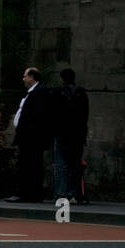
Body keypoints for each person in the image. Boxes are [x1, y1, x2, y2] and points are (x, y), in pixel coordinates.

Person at [7, 67, 52, 202]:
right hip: (28, 137)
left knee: (30, 166)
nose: (23, 79)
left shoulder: (39, 92)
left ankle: (27, 194)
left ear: (32, 77)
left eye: (25, 76)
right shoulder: (33, 92)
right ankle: (29, 193)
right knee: (29, 165)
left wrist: (28, 133)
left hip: (31, 138)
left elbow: (37, 117)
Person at [51, 69, 90, 203]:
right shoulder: (81, 93)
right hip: (77, 135)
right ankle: (72, 193)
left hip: (62, 134)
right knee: (74, 165)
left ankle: (61, 193)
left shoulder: (58, 93)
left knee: (61, 165)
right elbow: (85, 115)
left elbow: (54, 115)